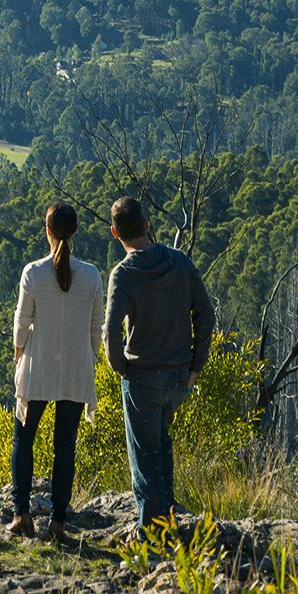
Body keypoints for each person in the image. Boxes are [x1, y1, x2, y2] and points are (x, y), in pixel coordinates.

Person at [100, 195, 216, 539]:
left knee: (144, 459)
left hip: (143, 379)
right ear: (146, 224)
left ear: (115, 233)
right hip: (179, 378)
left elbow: (110, 330)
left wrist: (121, 367)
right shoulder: (180, 262)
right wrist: (195, 367)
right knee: (162, 447)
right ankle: (168, 518)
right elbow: (206, 315)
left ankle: (152, 535)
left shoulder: (123, 274)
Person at [9, 202, 104, 541]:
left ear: (47, 230)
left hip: (39, 366)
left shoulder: (33, 273)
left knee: (24, 439)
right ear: (75, 232)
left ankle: (21, 514)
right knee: (65, 447)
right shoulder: (91, 275)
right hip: (75, 371)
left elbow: (22, 322)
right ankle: (58, 522)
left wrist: (19, 354)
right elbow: (96, 328)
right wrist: (88, 358)